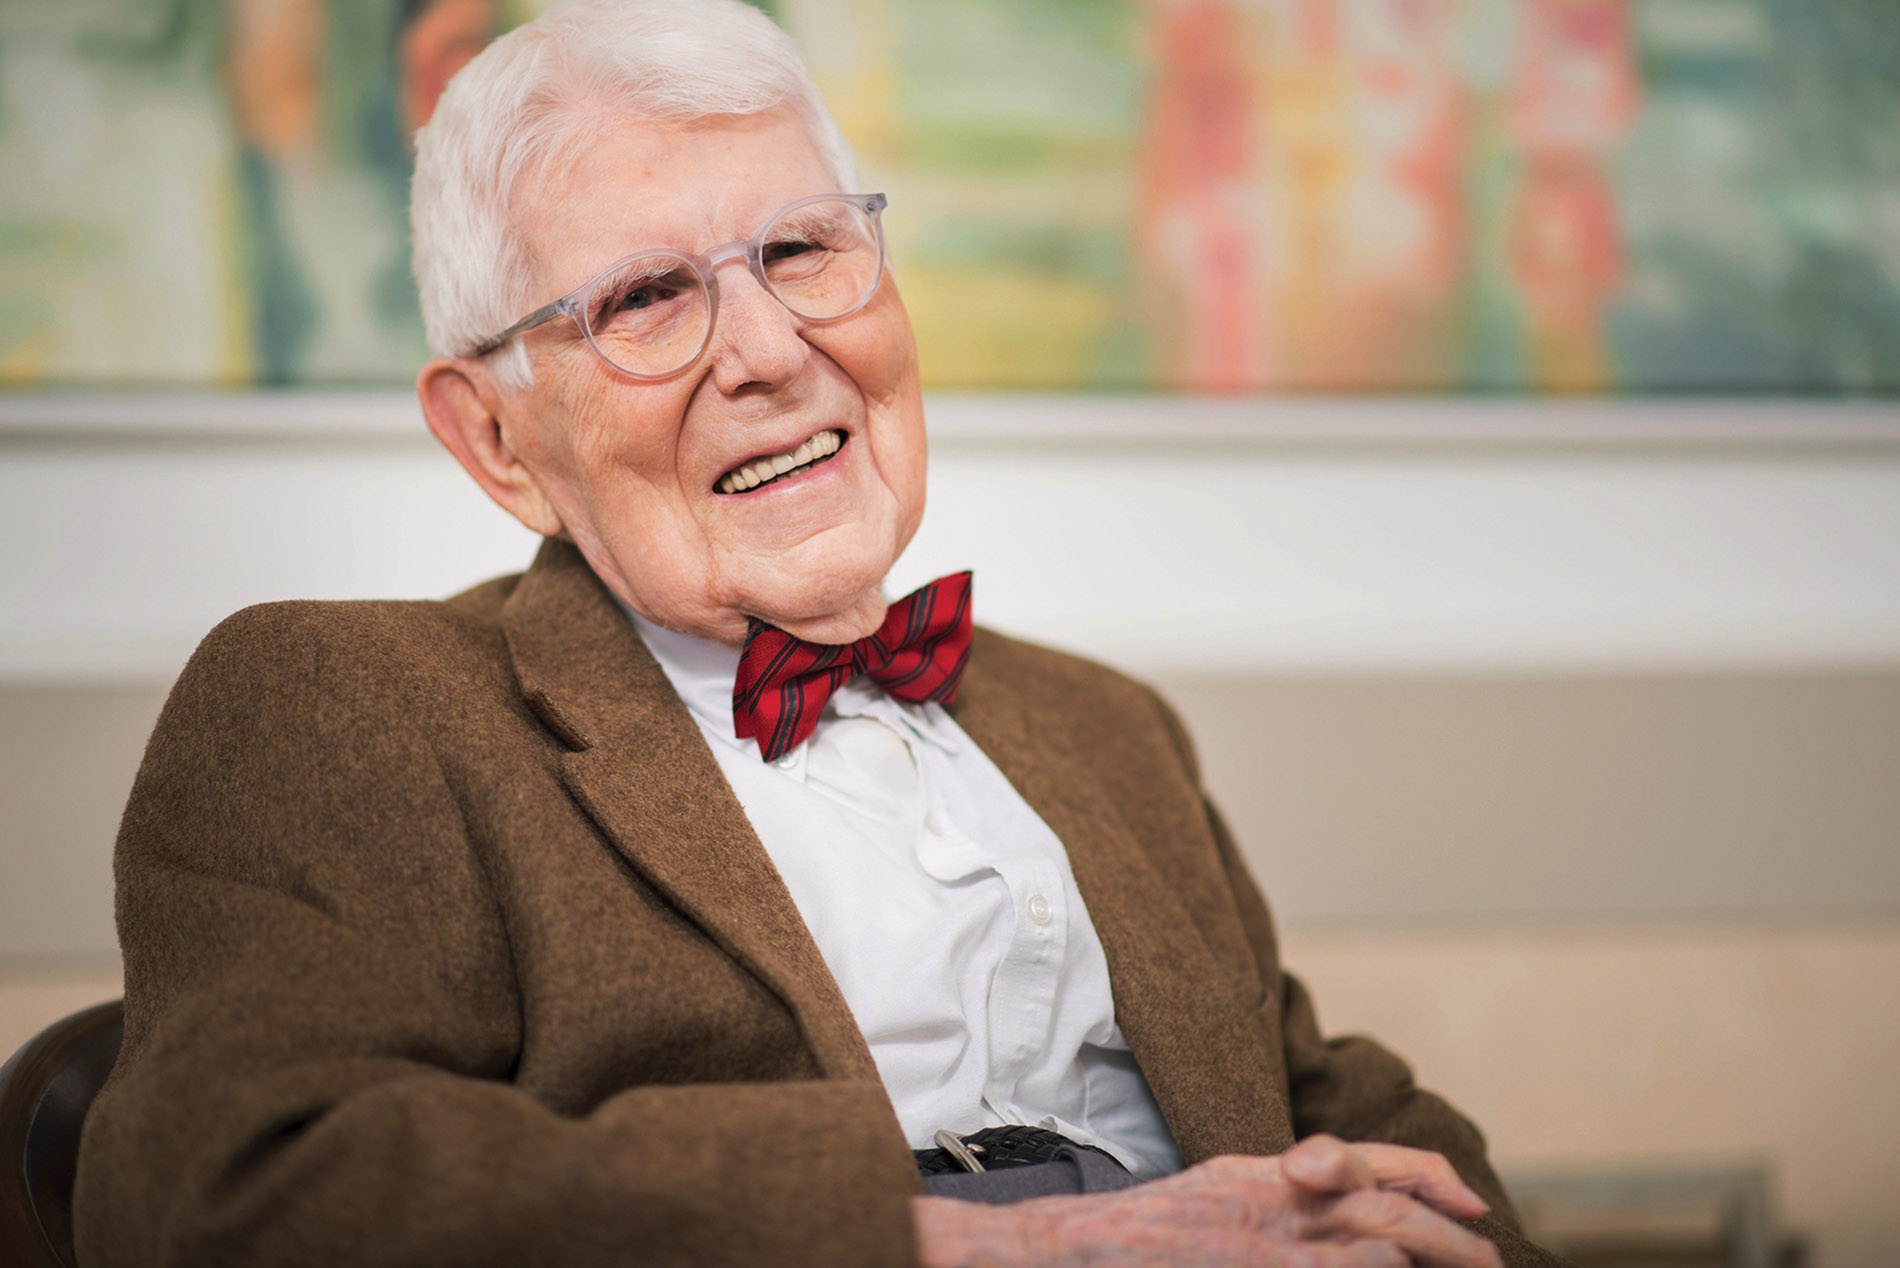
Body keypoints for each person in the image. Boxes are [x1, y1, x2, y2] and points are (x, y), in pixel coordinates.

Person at [74, 2, 1569, 1264]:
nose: (774, 353)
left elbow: (1323, 1100)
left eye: (800, 252)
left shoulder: (1108, 724)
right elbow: (237, 1187)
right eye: (650, 297)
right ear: (496, 437)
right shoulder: (347, 705)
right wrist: (1012, 1245)